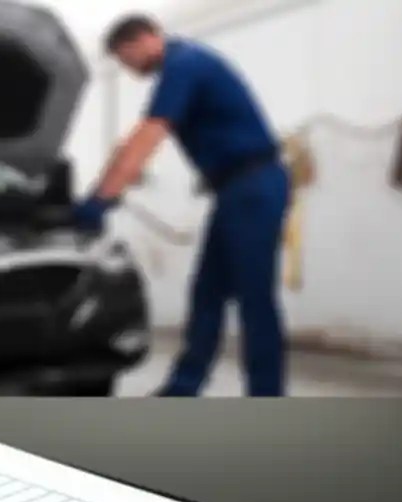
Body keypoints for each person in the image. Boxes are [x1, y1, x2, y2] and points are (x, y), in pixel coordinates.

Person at [70, 15, 292, 397]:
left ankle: (267, 395)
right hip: (235, 190)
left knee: (254, 297)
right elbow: (132, 144)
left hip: (254, 186)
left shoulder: (183, 64)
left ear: (141, 41)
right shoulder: (183, 64)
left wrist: (99, 201)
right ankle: (184, 387)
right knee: (207, 292)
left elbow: (146, 137)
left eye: (125, 59)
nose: (127, 68)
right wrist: (101, 191)